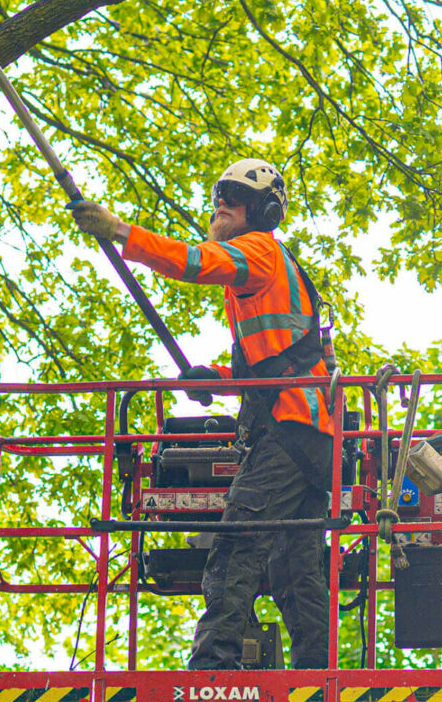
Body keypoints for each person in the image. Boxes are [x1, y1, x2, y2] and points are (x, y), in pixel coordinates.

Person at [71, 159, 333, 672]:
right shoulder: (265, 278)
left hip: (287, 429)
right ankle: (317, 677)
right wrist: (217, 377)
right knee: (293, 568)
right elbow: (275, 361)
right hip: (307, 435)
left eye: (233, 199)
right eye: (218, 197)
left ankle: (212, 666)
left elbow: (193, 261)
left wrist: (120, 232)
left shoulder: (257, 250)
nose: (220, 206)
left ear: (262, 211)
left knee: (237, 545)